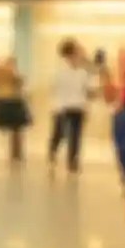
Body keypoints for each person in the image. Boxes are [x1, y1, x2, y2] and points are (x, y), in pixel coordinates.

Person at [49, 39, 91, 172]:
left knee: (76, 136)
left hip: (78, 107)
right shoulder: (60, 71)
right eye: (76, 51)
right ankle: (53, 152)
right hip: (62, 108)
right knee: (59, 133)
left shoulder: (83, 72)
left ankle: (73, 161)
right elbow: (56, 90)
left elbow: (87, 90)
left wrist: (86, 106)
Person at [0, 56, 30, 161]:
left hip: (3, 101)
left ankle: (15, 153)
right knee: (17, 130)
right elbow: (20, 85)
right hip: (14, 101)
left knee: (15, 130)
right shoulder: (13, 74)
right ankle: (17, 153)